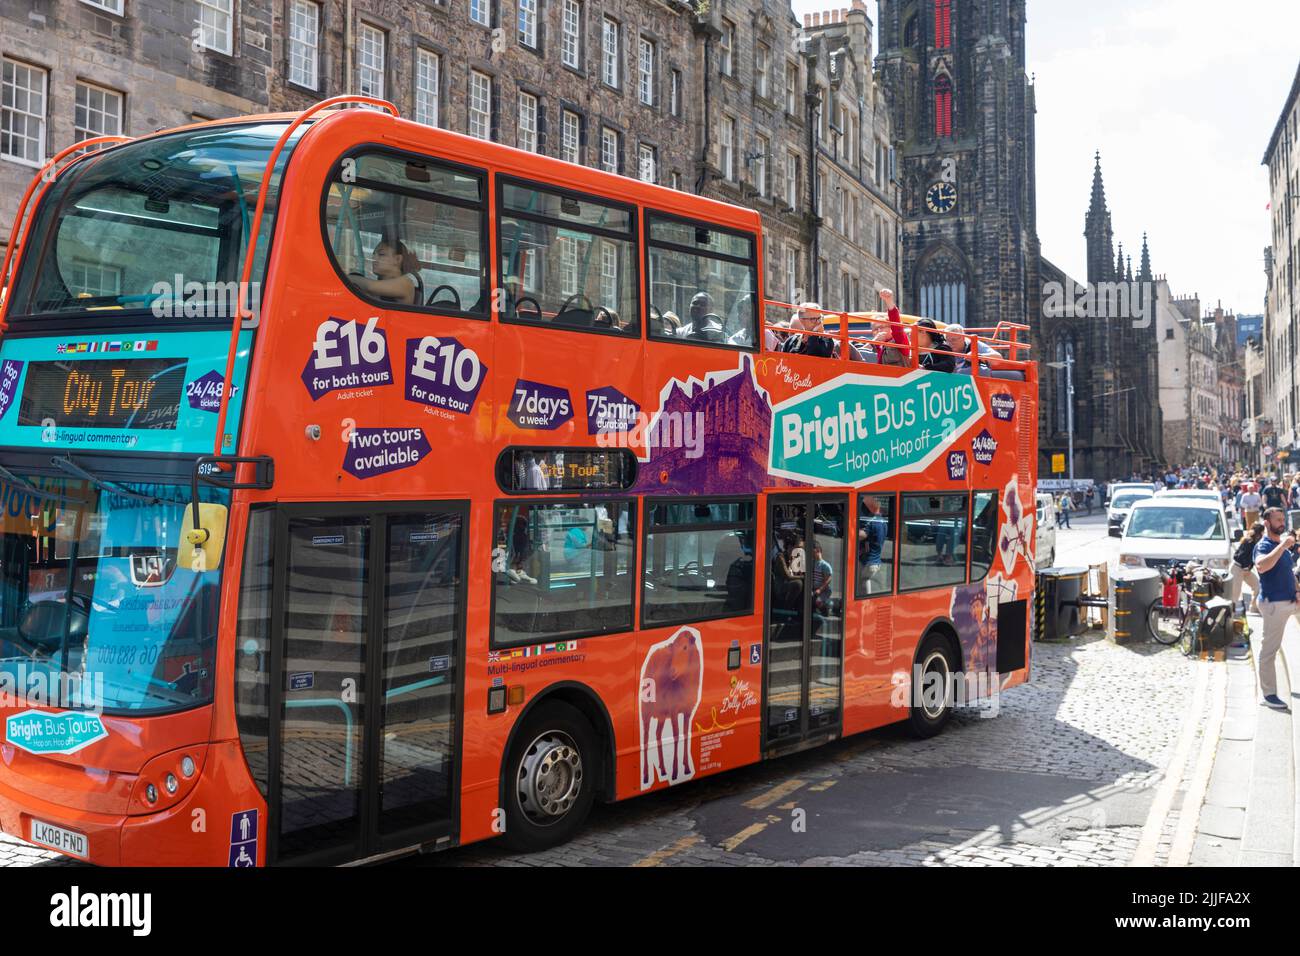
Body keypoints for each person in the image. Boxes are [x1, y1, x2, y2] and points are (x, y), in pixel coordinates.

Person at [1253, 507, 1298, 710]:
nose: (1282, 523)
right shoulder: (1263, 545)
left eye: (1282, 519)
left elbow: (1288, 573)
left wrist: (1297, 591)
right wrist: (1283, 547)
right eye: (1277, 520)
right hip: (1274, 604)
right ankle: (1269, 694)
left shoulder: (1281, 546)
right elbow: (1262, 566)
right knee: (1270, 649)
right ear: (1266, 523)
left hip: (1290, 601)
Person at [349, 236, 421, 305]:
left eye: (381, 254)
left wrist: (345, 278)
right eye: (373, 254)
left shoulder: (406, 282)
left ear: (398, 259)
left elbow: (370, 287)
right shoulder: (380, 284)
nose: (374, 258)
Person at [1231, 521, 1264, 615]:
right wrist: (1246, 567)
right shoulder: (1249, 541)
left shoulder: (1254, 542)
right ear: (1259, 533)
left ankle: (1254, 607)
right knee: (1235, 593)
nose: (1263, 534)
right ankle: (1231, 613)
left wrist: (1248, 568)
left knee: (1257, 585)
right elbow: (1240, 556)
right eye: (1262, 532)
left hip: (1246, 570)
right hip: (1237, 568)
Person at [871, 288, 910, 366]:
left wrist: (889, 301)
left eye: (882, 327)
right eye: (875, 329)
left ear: (890, 327)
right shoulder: (875, 346)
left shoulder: (899, 340)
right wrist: (873, 343)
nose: (879, 330)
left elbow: (896, 326)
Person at [858, 495, 889, 592]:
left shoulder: (872, 522)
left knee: (864, 580)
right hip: (876, 561)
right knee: (864, 581)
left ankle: (866, 599)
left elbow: (861, 536)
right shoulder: (883, 522)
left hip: (869, 562)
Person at [810, 542, 834, 615]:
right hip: (814, 590)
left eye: (813, 552)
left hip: (823, 590)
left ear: (818, 551)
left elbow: (828, 580)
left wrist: (820, 590)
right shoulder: (811, 563)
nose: (811, 554)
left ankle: (828, 606)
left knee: (818, 601)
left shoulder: (825, 565)